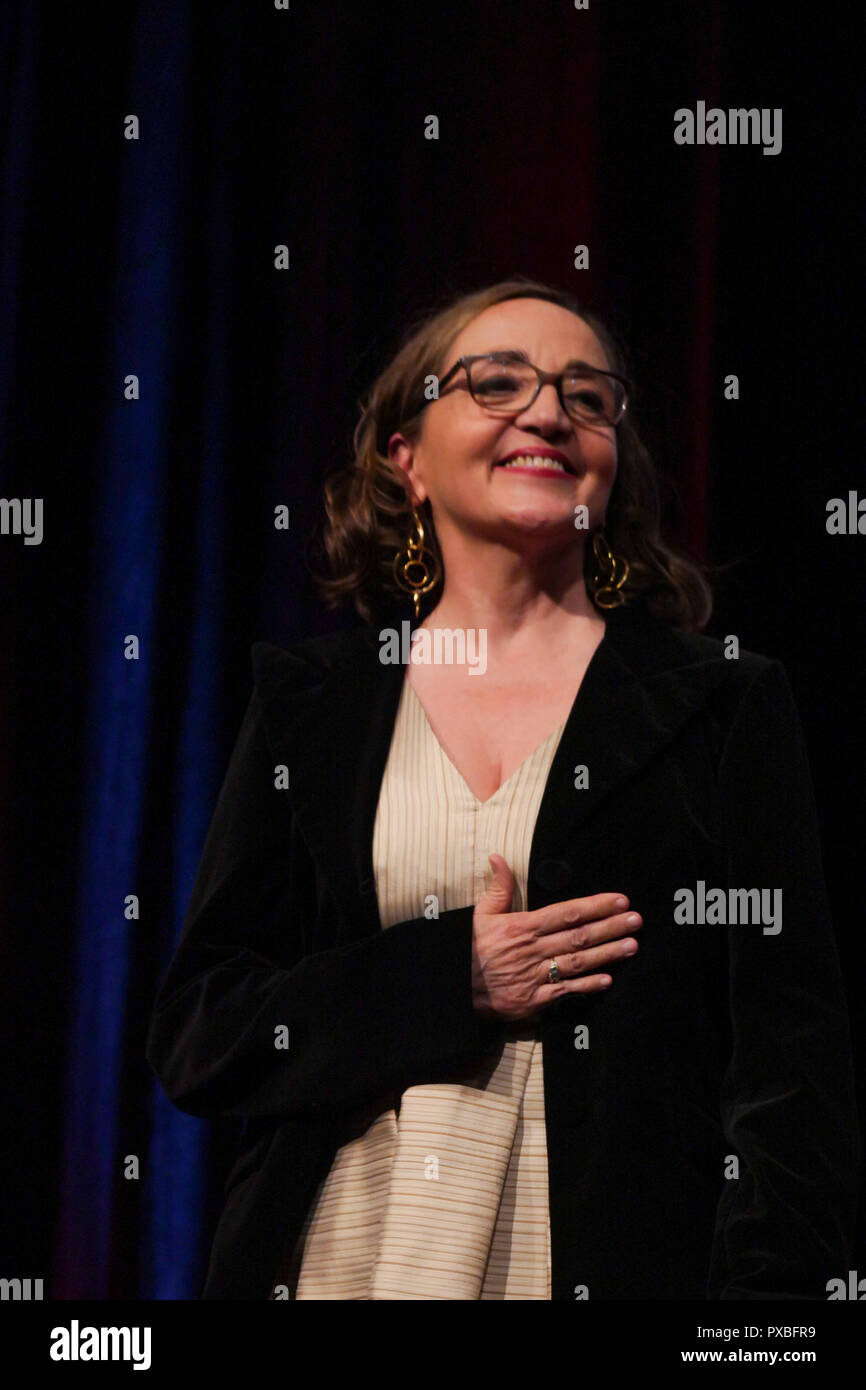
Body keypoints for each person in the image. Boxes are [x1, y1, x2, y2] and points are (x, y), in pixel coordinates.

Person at [146, 276, 859, 1300]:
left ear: (611, 466)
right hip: (345, 1259)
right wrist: (448, 977)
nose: (544, 413)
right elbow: (203, 1031)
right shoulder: (314, 701)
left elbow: (790, 1079)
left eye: (586, 396)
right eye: (495, 383)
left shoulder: (720, 704)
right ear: (406, 459)